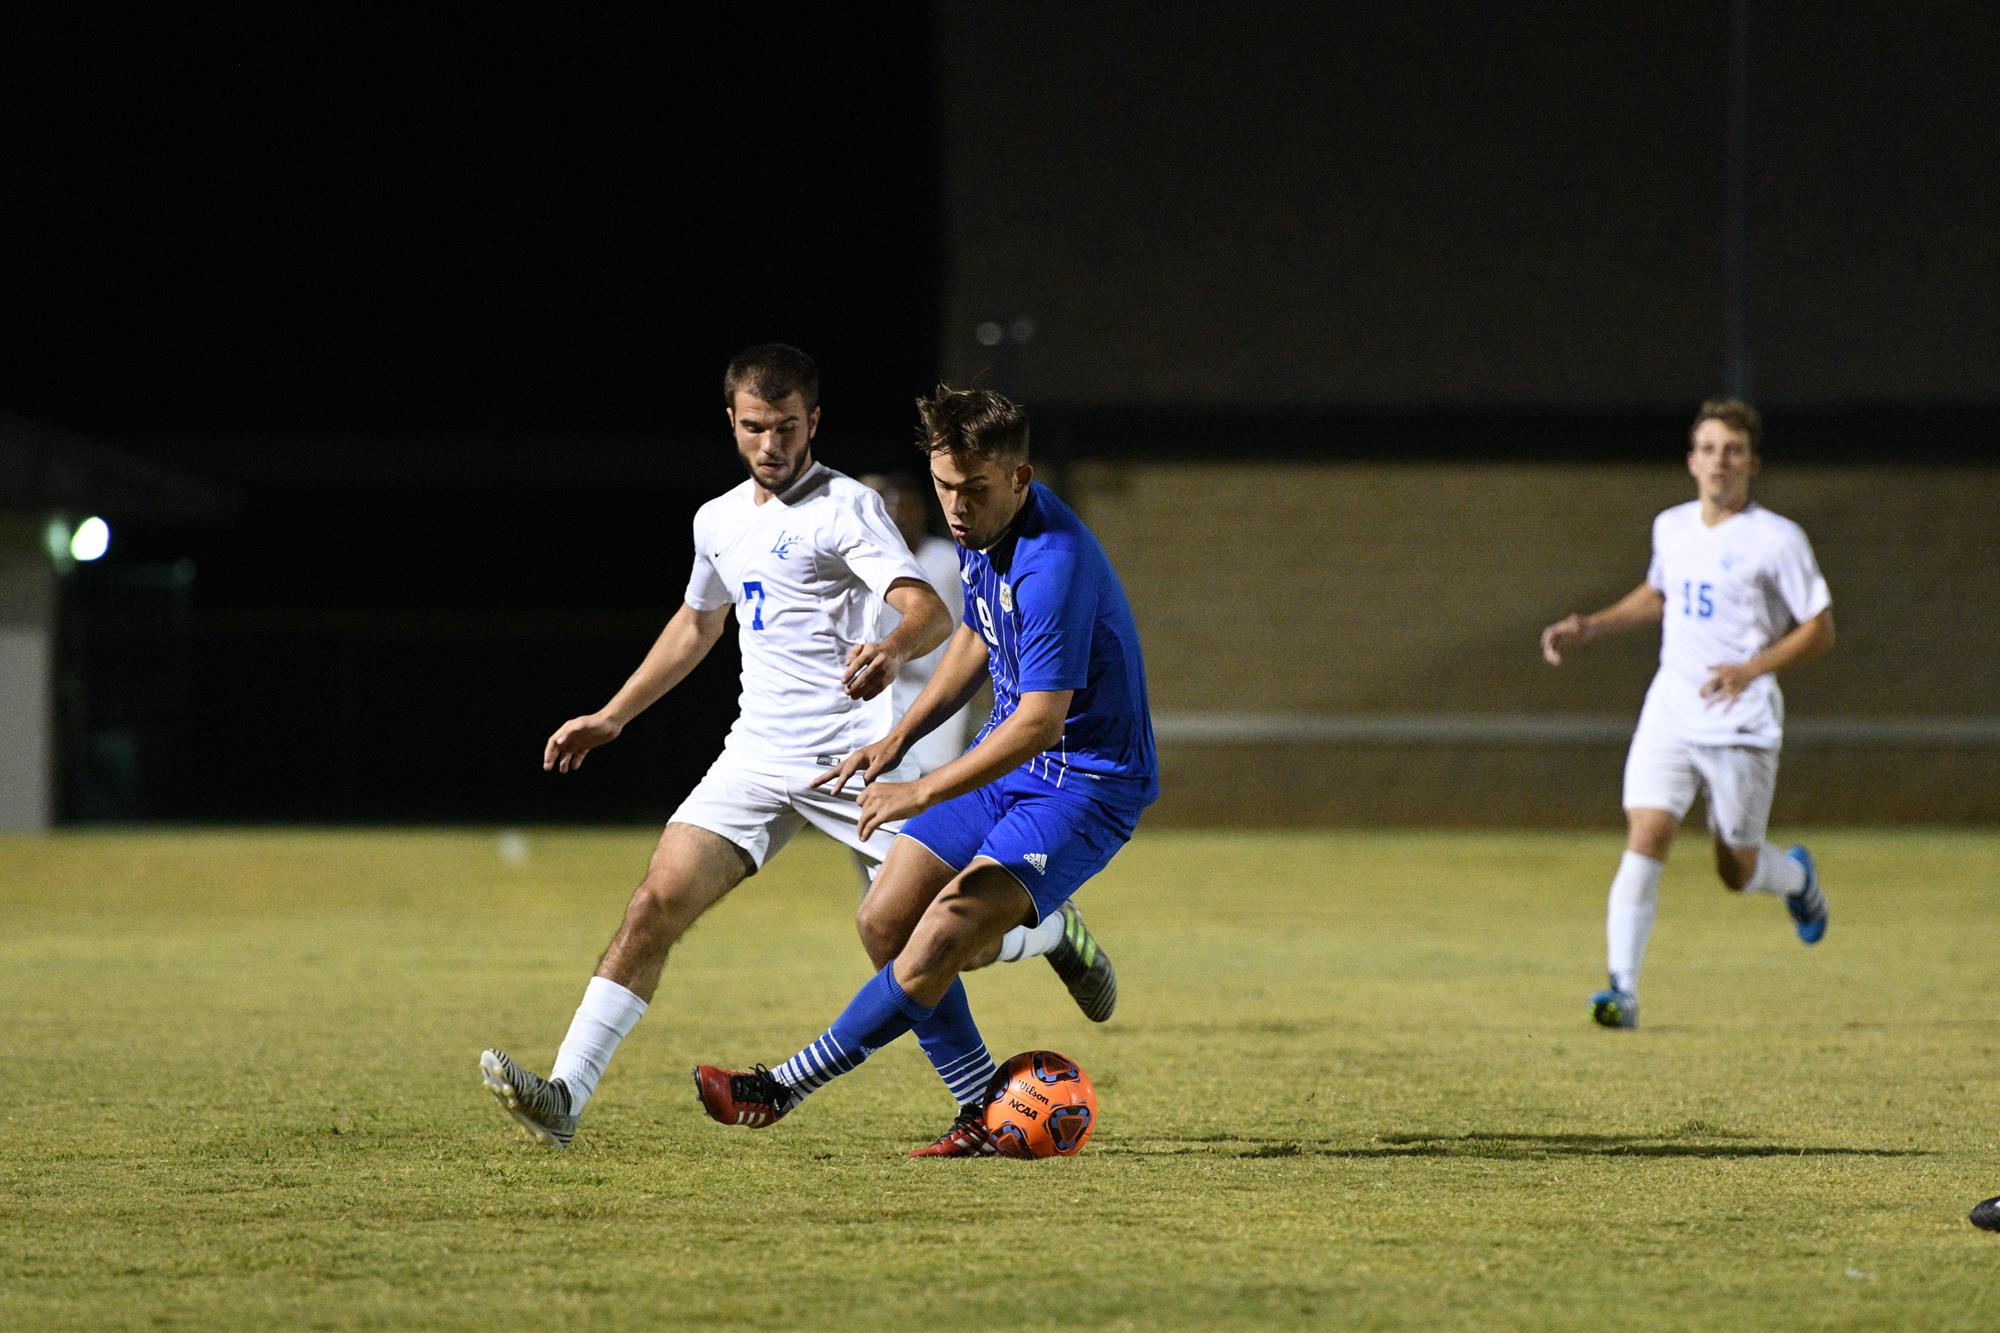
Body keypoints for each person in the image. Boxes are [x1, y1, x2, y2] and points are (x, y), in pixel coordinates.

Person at [477, 347, 1108, 1149]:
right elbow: (697, 623)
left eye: (784, 427)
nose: (768, 444)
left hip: (853, 755)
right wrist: (614, 714)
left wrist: (892, 647)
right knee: (653, 904)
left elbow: (926, 611)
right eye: (752, 428)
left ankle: (1050, 930)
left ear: (813, 421)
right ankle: (566, 1093)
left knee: (948, 942)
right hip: (755, 756)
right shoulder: (718, 520)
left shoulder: (847, 507)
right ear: (732, 425)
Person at [692, 383, 1158, 1155]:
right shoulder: (980, 539)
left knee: (944, 932)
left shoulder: (1055, 564)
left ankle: (778, 1088)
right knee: (884, 917)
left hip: (1086, 783)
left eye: (974, 489)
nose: (956, 506)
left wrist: (921, 785)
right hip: (1020, 771)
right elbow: (974, 640)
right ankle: (982, 1104)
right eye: (945, 486)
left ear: (1020, 479)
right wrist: (897, 737)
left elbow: (1040, 720)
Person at [1538, 397, 1835, 1030]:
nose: (1719, 461)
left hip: (1741, 721)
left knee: (1737, 869)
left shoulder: (1776, 538)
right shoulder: (1671, 526)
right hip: (1671, 708)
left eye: (1732, 450)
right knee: (1646, 836)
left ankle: (1797, 880)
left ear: (1752, 462)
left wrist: (1752, 668)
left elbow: (1821, 628)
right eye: (1708, 449)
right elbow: (1660, 594)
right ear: (1691, 461)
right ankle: (1623, 992)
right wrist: (1590, 626)